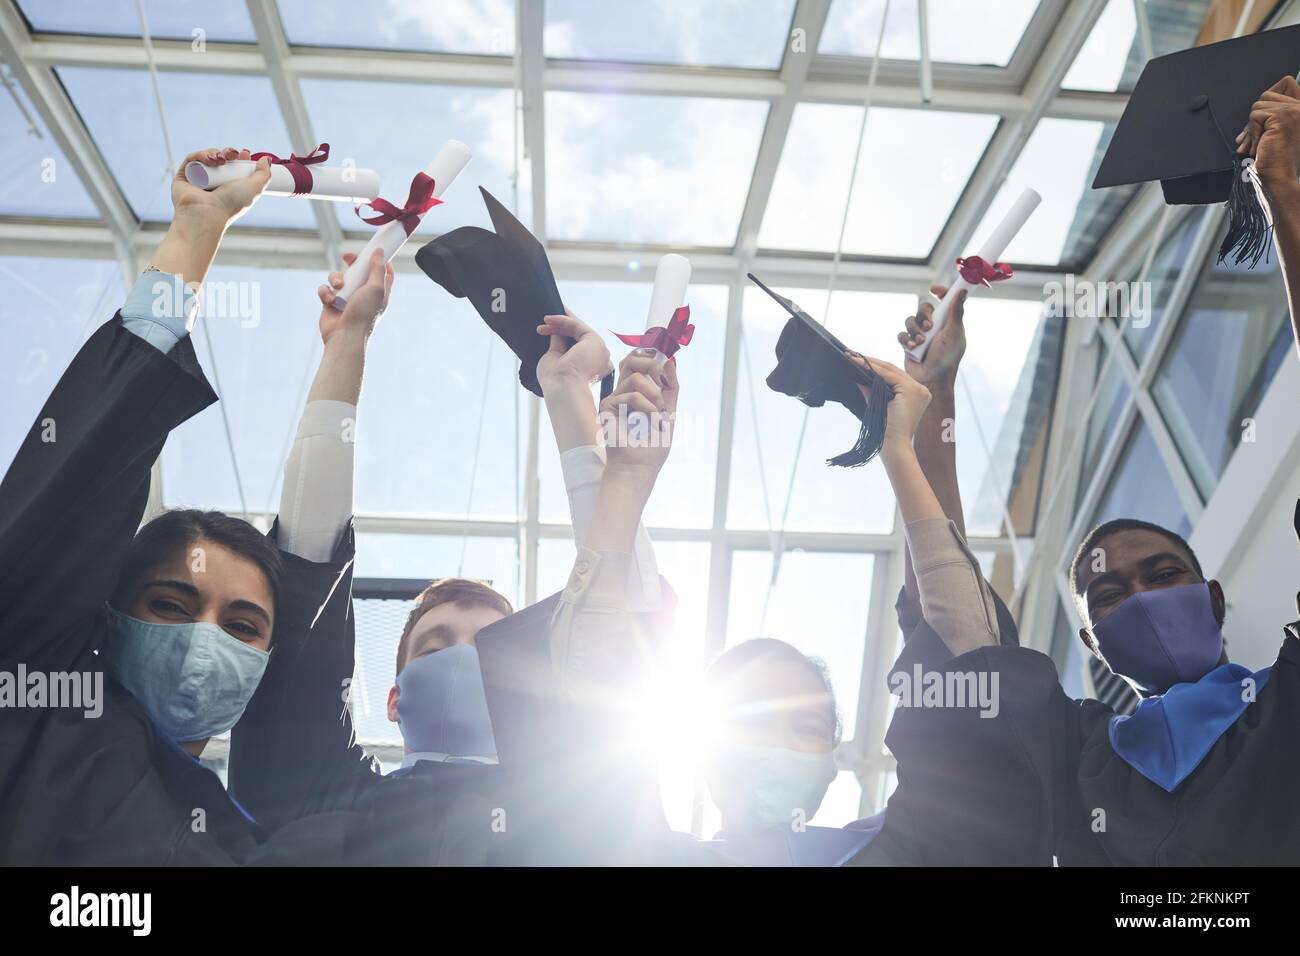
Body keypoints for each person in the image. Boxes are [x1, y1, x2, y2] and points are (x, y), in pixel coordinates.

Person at [0, 147, 391, 864]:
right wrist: (196, 231)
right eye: (171, 606)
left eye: (243, 625)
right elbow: (79, 484)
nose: (205, 639)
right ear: (107, 612)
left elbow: (310, 564)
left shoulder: (245, 845)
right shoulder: (31, 710)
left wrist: (349, 344)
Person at [227, 305, 670, 865]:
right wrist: (346, 343)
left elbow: (612, 626)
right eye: (434, 647)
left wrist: (570, 396)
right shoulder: (324, 801)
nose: (463, 660)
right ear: (392, 701)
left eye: (487, 648)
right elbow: (304, 579)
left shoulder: (578, 810)